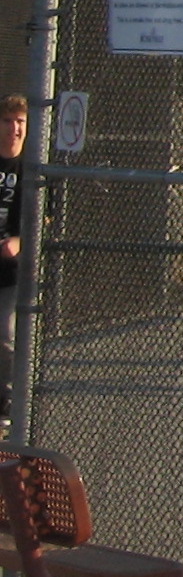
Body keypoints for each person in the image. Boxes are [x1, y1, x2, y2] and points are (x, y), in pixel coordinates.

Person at [0, 95, 22, 428]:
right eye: (8, 121)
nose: (15, 129)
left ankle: (8, 408)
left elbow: (45, 220)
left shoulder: (33, 168)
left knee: (6, 333)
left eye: (20, 122)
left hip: (12, 274)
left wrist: (19, 241)